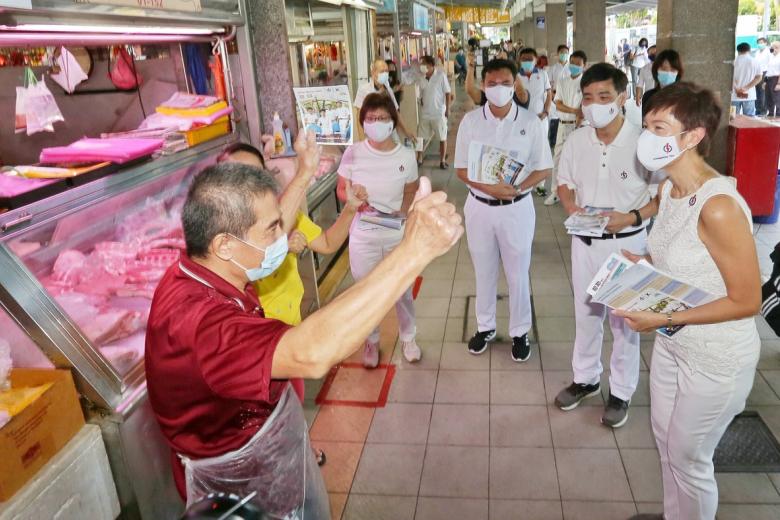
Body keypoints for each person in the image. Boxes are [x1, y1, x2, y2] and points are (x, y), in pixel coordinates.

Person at [145, 130, 463, 512]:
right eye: (272, 229)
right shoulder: (203, 326)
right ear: (225, 245)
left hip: (267, 451)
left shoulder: (206, 265)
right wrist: (413, 252)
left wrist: (304, 172)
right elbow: (313, 353)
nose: (284, 236)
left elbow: (274, 222)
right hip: (241, 489)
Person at [619, 82, 761, 520]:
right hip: (673, 340)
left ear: (693, 136)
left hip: (716, 355)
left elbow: (747, 300)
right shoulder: (668, 191)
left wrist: (661, 317)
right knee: (665, 441)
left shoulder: (717, 206)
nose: (647, 136)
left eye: (660, 126)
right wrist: (640, 264)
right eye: (646, 126)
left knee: (690, 460)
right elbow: (678, 260)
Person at [217, 142, 368, 401]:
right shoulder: (222, 236)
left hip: (289, 334)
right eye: (237, 178)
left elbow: (328, 243)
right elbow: (248, 266)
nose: (248, 187)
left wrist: (351, 208)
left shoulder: (285, 212)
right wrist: (281, 247)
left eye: (255, 176)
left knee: (292, 405)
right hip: (257, 349)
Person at [554, 63, 659, 428]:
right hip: (585, 242)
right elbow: (564, 182)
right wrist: (571, 207)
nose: (594, 104)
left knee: (624, 324)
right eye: (587, 97)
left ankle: (621, 392)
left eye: (603, 97)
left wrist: (631, 217)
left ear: (622, 97)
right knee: (585, 315)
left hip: (627, 246)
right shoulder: (577, 140)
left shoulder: (643, 142)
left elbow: (663, 196)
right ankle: (584, 378)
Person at [455, 59, 553, 361]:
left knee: (517, 272)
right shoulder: (471, 122)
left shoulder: (530, 122)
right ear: (484, 86)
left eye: (505, 83)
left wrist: (517, 189)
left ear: (516, 85)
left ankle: (520, 330)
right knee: (483, 270)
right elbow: (460, 169)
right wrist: (489, 189)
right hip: (480, 208)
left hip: (517, 209)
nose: (499, 89)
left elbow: (544, 168)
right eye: (493, 83)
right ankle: (485, 326)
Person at [337, 93, 422, 367]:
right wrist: (352, 200)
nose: (377, 123)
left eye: (383, 118)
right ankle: (371, 342)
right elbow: (341, 188)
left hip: (396, 232)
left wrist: (404, 213)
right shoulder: (354, 152)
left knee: (403, 290)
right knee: (366, 290)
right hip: (364, 233)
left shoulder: (406, 156)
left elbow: (411, 188)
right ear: (363, 122)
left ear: (393, 122)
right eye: (371, 118)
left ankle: (408, 338)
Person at [545, 50, 587, 207]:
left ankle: (579, 194)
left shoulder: (586, 84)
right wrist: (574, 111)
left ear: (584, 65)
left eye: (578, 63)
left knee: (579, 162)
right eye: (573, 62)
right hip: (564, 125)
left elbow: (585, 108)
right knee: (558, 159)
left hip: (581, 127)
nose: (575, 66)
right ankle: (555, 192)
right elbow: (559, 103)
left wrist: (578, 115)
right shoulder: (563, 82)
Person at [517, 48, 553, 197]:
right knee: (522, 150)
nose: (526, 61)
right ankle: (522, 182)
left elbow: (549, 93)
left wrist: (546, 111)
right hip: (520, 121)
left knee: (540, 150)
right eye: (523, 58)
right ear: (519, 60)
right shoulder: (516, 76)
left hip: (540, 119)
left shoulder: (543, 74)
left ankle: (540, 184)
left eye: (529, 58)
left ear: (535, 59)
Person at [354, 59, 415, 140]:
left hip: (389, 130)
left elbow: (396, 112)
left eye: (386, 71)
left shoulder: (388, 89)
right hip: (372, 131)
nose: (385, 74)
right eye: (382, 71)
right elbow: (359, 116)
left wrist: (407, 131)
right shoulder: (364, 90)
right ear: (373, 73)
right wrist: (361, 139)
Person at [417, 55, 452, 169]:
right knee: (420, 137)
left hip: (438, 113)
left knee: (442, 137)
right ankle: (420, 158)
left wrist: (448, 109)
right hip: (425, 113)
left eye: (424, 64)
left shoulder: (440, 75)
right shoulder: (421, 78)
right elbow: (420, 95)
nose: (422, 67)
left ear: (431, 65)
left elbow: (447, 93)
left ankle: (442, 161)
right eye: (421, 64)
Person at [641, 49, 684, 119]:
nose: (668, 73)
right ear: (656, 70)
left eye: (673, 70)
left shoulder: (685, 98)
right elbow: (645, 123)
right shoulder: (648, 96)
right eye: (663, 69)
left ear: (678, 73)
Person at [732, 42, 763, 116]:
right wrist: (745, 88)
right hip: (749, 95)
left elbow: (729, 78)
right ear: (749, 50)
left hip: (734, 95)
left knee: (733, 119)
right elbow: (759, 77)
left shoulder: (733, 62)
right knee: (749, 120)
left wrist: (737, 89)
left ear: (738, 50)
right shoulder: (755, 61)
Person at [755, 37, 771, 116]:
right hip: (757, 73)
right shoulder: (757, 52)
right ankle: (757, 109)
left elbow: (770, 64)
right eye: (758, 43)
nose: (760, 44)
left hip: (765, 72)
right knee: (756, 92)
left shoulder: (768, 52)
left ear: (765, 43)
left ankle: (763, 110)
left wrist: (767, 76)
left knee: (762, 92)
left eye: (761, 42)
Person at [765, 41, 780, 118]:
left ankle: (778, 113)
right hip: (769, 78)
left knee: (777, 97)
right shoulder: (771, 57)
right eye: (772, 47)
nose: (773, 49)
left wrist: (778, 83)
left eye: (775, 47)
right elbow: (768, 69)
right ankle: (770, 112)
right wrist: (765, 81)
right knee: (768, 97)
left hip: (776, 78)